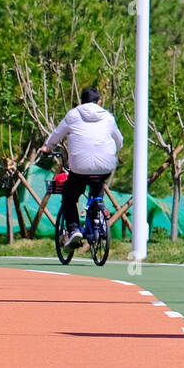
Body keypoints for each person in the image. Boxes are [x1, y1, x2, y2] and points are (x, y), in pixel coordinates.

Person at [41, 87, 124, 248]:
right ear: (99, 102)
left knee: (69, 196)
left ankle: (73, 230)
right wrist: (113, 150)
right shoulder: (108, 117)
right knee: (97, 187)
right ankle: (97, 219)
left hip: (79, 167)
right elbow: (119, 140)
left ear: (82, 101)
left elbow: (57, 134)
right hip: (105, 165)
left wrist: (48, 147)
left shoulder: (73, 114)